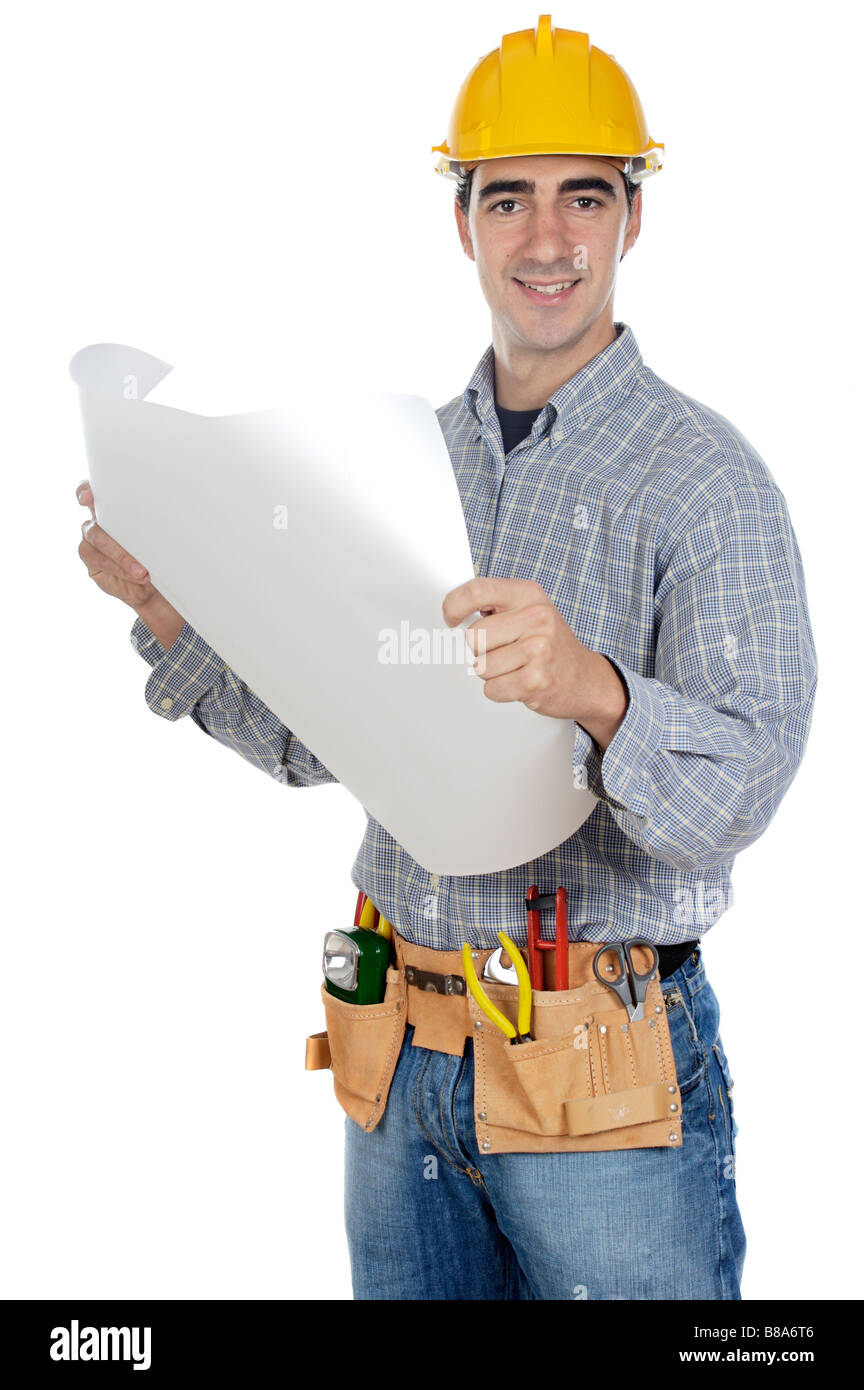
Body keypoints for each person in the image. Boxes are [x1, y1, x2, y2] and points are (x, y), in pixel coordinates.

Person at [76, 17, 817, 1300]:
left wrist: (593, 689)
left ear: (632, 219)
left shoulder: (706, 483)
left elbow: (740, 791)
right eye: (508, 199)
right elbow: (321, 734)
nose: (546, 241)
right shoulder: (402, 466)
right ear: (461, 221)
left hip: (600, 1076)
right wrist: (174, 615)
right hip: (400, 1054)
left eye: (584, 198)